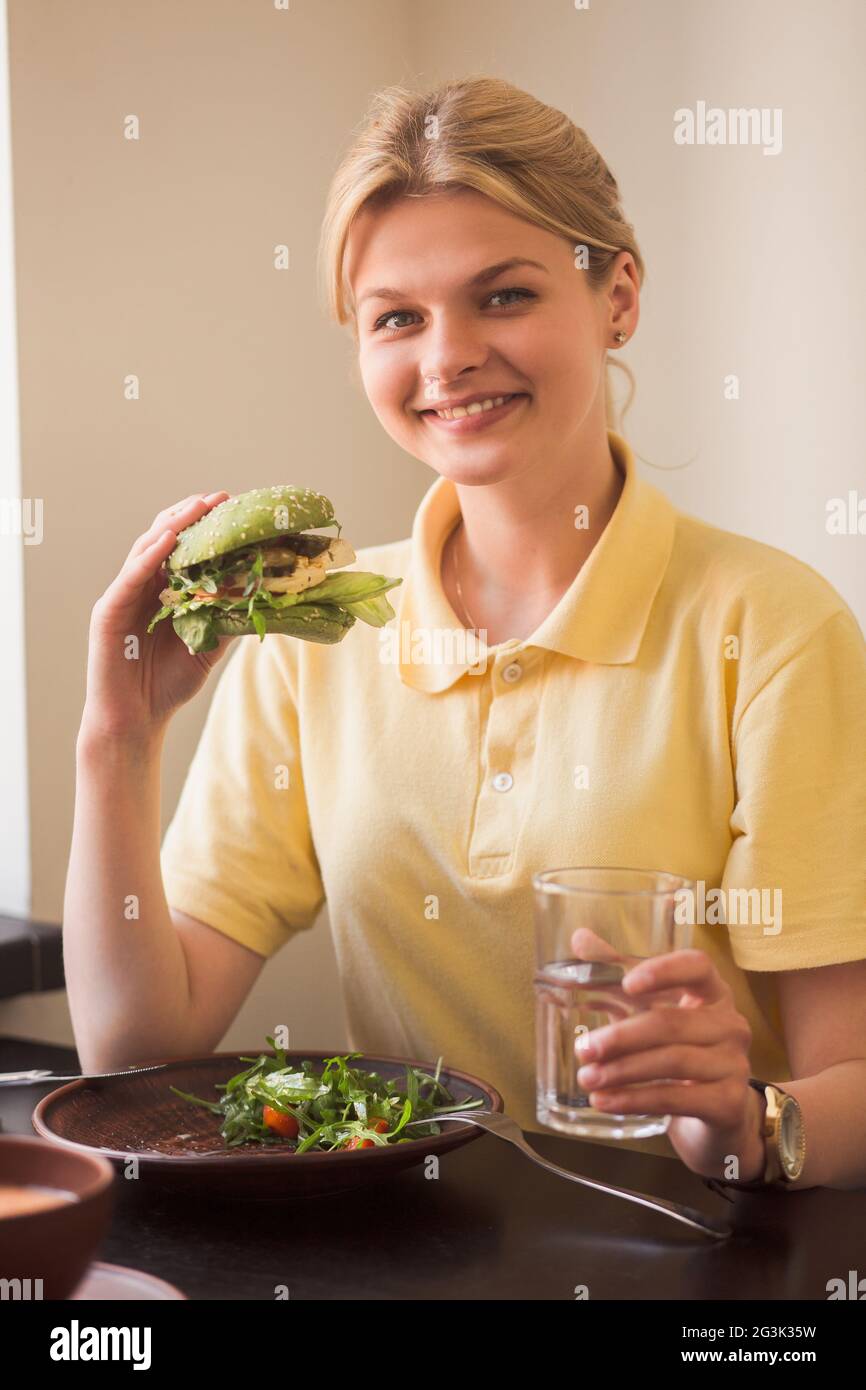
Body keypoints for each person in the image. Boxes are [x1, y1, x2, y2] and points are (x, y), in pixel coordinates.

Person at [64, 76, 866, 1191]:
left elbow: (852, 1080)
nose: (444, 358)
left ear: (617, 295)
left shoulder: (769, 628)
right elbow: (138, 1053)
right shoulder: (318, 630)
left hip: (703, 1256)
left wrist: (740, 1116)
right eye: (396, 316)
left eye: (502, 296)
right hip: (414, 1254)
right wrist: (119, 736)